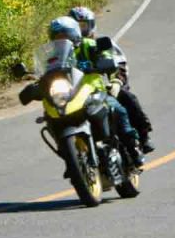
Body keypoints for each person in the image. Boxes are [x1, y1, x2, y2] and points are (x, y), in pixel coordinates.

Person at [48, 16, 145, 168]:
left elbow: (108, 57)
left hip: (94, 90)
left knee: (118, 110)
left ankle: (133, 148)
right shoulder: (52, 54)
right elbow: (43, 72)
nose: (62, 39)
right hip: (68, 95)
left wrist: (109, 69)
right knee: (49, 117)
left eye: (65, 35)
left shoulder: (89, 45)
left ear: (74, 34)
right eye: (58, 37)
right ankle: (70, 157)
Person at [69, 5, 155, 154]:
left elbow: (119, 63)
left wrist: (116, 81)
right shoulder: (66, 49)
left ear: (91, 26)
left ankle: (142, 136)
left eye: (83, 26)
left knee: (127, 98)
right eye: (76, 27)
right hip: (74, 93)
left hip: (103, 87)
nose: (80, 31)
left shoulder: (101, 43)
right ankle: (73, 159)